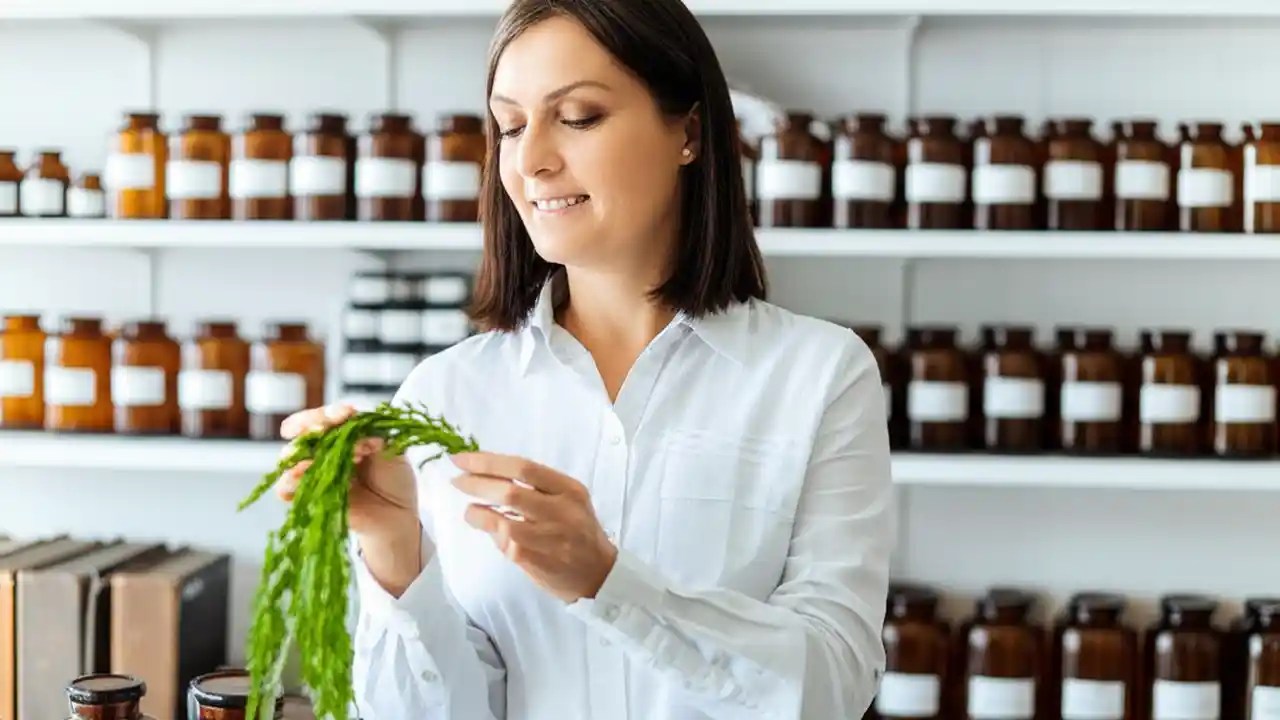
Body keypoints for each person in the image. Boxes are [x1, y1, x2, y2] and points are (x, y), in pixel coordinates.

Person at [276, 0, 894, 716]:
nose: (532, 159)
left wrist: (609, 583)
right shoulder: (446, 392)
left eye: (577, 117)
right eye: (510, 126)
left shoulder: (819, 375)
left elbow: (830, 685)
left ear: (688, 132)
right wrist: (393, 553)